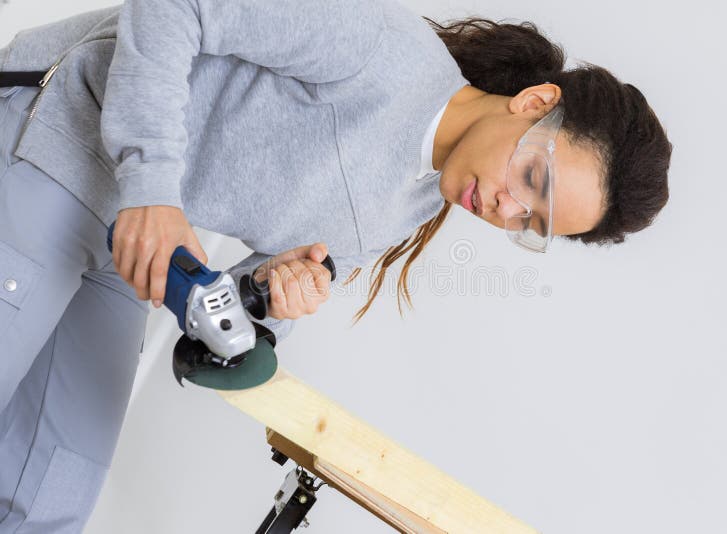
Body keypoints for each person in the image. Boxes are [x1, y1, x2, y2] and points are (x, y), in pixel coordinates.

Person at [0, 0, 672, 531]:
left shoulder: (406, 205)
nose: (506, 207)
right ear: (535, 104)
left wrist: (268, 297)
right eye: (532, 178)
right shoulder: (378, 48)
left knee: (50, 495)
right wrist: (152, 187)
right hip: (54, 136)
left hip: (131, 245)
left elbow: (232, 301)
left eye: (531, 222)